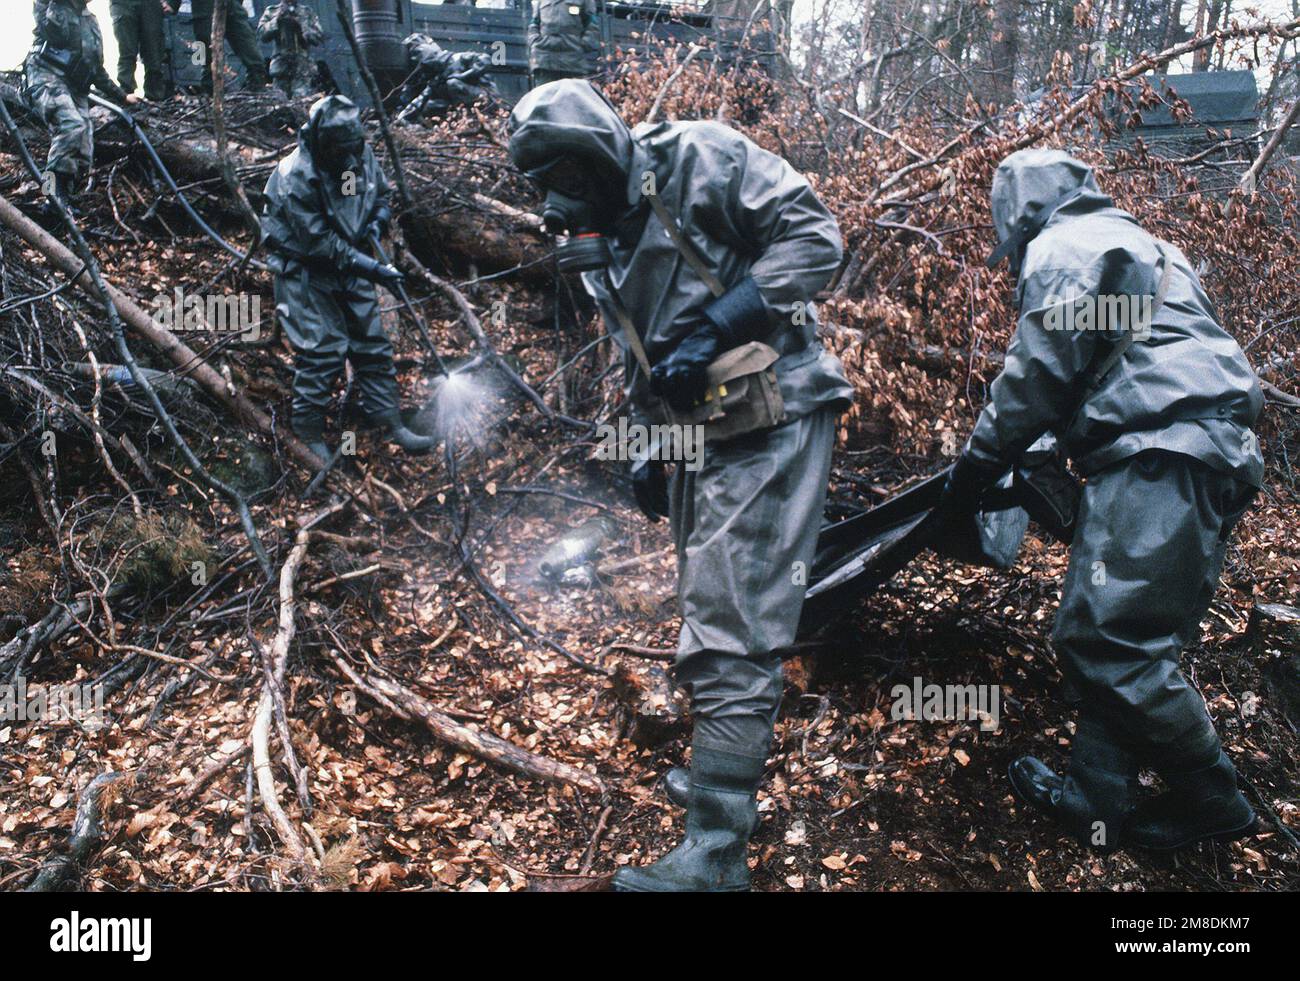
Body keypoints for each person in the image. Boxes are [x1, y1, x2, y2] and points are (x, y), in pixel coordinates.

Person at [509, 80, 853, 891]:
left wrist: (722, 321)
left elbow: (815, 238)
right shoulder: (595, 234)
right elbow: (641, 352)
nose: (557, 200)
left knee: (731, 620)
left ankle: (717, 850)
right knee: (707, 605)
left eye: (565, 174)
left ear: (597, 154)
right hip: (699, 429)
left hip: (774, 408)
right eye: (543, 184)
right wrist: (649, 446)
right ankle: (718, 782)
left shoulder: (699, 158)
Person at [942, 148, 1264, 853]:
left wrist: (974, 468)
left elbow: (1034, 376)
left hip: (1161, 453)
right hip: (1212, 453)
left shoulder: (1062, 247)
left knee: (1104, 642)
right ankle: (1093, 806)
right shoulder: (1151, 246)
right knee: (1127, 633)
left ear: (1022, 216)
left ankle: (1215, 796)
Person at [261, 96, 435, 462]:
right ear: (324, 142)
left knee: (372, 343)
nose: (351, 156)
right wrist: (372, 269)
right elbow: (319, 242)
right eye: (342, 149)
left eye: (353, 147)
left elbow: (377, 195)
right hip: (305, 269)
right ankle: (307, 430)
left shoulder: (354, 155)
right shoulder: (297, 174)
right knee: (323, 350)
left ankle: (387, 420)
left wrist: (377, 218)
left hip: (351, 261)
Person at [25, 0, 140, 214]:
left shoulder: (90, 21)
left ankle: (65, 198)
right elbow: (49, 29)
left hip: (75, 85)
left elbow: (96, 69)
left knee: (84, 145)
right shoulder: (51, 6)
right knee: (71, 126)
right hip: (46, 75)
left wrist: (122, 96)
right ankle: (50, 196)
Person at [190, 0, 270, 91]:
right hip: (205, 8)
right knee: (210, 59)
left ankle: (256, 91)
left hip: (232, 6)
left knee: (253, 55)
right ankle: (211, 95)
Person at [256, 0, 325, 99]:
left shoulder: (307, 12)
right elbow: (261, 34)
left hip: (301, 67)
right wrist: (277, 20)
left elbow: (318, 37)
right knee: (280, 100)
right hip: (280, 67)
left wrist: (302, 27)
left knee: (301, 100)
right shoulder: (272, 11)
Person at [108, 0, 173, 102]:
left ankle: (155, 96)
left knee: (154, 53)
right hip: (122, 4)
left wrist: (172, 3)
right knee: (127, 52)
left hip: (151, 4)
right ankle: (126, 95)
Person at [527, 0, 600, 87]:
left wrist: (583, 45)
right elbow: (534, 23)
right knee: (545, 97)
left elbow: (592, 24)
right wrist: (535, 41)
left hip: (572, 60)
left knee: (570, 97)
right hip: (545, 59)